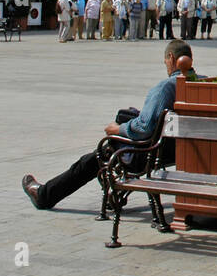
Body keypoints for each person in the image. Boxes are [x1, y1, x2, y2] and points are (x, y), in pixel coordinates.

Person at [22, 40, 193, 210]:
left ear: (171, 58)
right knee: (98, 155)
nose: (166, 66)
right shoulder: (202, 82)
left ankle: (44, 195)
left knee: (93, 159)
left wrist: (118, 129)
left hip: (148, 154)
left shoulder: (166, 87)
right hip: (180, 151)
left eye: (165, 62)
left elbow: (144, 128)